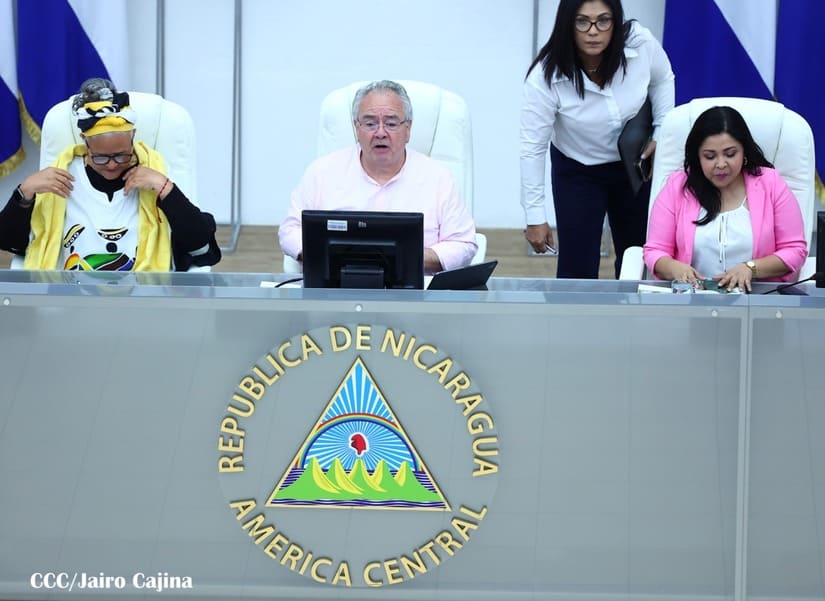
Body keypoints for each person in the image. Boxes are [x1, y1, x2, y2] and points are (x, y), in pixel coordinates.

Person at [520, 0, 674, 278]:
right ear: (568, 24)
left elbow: (662, 79)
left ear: (616, 22)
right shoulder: (545, 76)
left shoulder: (640, 44)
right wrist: (535, 217)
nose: (593, 31)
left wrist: (662, 131)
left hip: (634, 164)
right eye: (582, 21)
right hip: (577, 168)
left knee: (638, 256)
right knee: (577, 265)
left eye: (603, 20)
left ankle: (634, 318)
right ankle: (577, 321)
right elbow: (532, 149)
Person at [0, 77, 220, 271]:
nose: (112, 165)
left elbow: (200, 244)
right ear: (86, 144)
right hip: (69, 302)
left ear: (132, 137)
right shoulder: (60, 178)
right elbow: (9, 241)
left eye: (122, 155)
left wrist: (166, 189)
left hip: (142, 304)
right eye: (101, 157)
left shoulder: (155, 175)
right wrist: (24, 192)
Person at [278, 80, 477, 273]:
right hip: (337, 286)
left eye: (391, 124)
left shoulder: (439, 177)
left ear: (408, 129)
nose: (380, 133)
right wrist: (324, 254)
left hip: (416, 293)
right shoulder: (321, 172)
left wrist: (404, 256)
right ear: (357, 128)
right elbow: (290, 230)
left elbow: (464, 243)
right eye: (370, 123)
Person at [643, 106, 807, 292]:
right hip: (692, 301)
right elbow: (655, 251)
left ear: (744, 152)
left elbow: (795, 250)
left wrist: (751, 268)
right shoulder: (677, 187)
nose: (721, 164)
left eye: (730, 154)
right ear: (697, 157)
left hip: (759, 301)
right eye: (710, 156)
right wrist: (675, 269)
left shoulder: (770, 184)